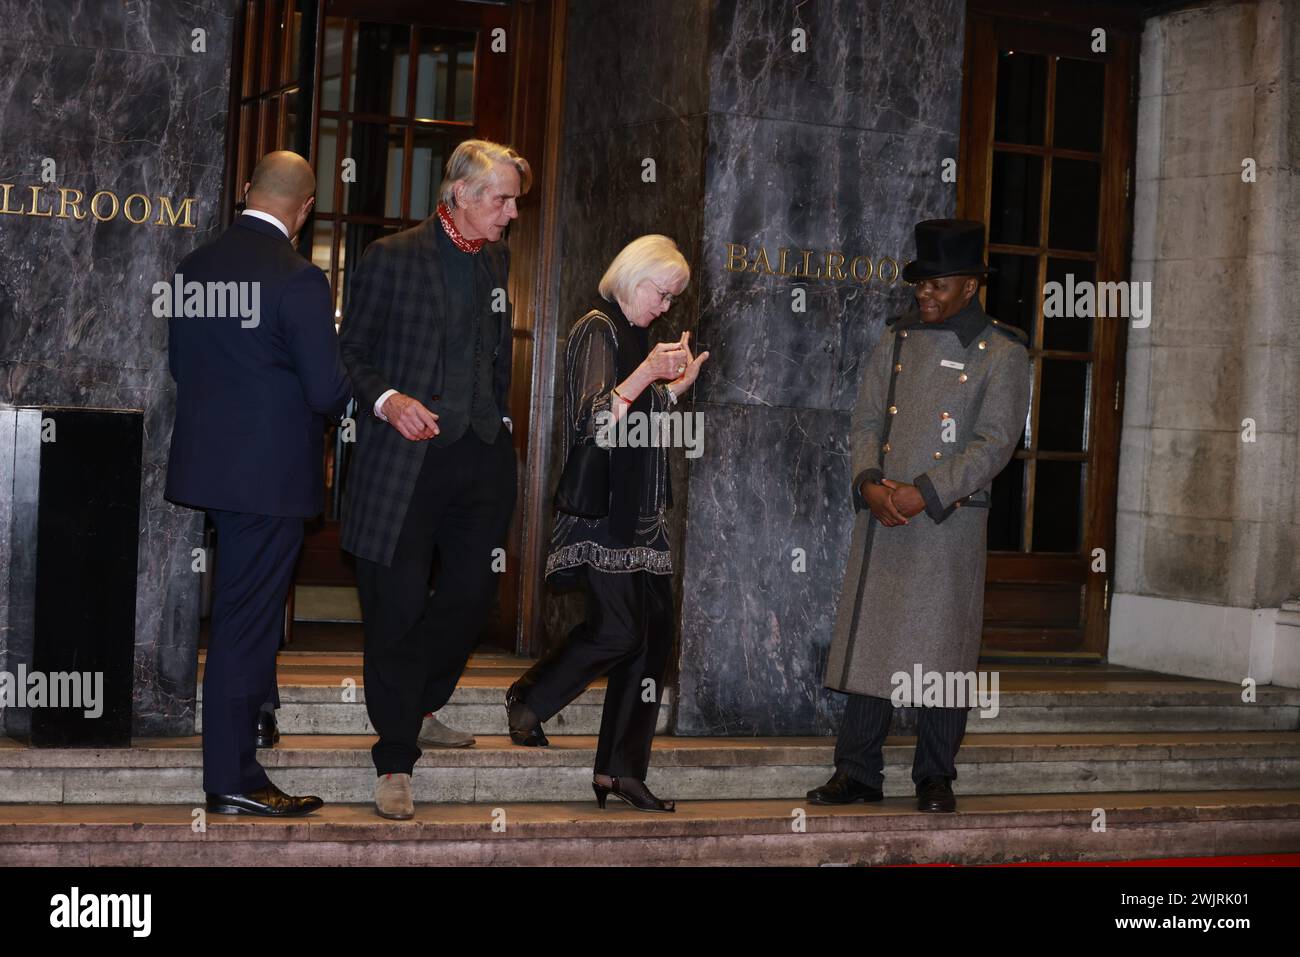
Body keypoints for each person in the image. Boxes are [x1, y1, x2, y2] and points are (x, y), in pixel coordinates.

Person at [809, 219, 1030, 813]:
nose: (925, 295)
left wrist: (926, 491)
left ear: (971, 286)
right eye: (920, 285)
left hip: (946, 523)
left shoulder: (1002, 352)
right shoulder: (896, 339)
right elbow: (863, 423)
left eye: (938, 285)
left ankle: (935, 775)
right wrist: (868, 484)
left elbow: (994, 444)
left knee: (944, 652)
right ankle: (857, 771)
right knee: (872, 643)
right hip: (884, 515)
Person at [338, 139, 531, 820]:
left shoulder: (499, 260)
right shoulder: (392, 256)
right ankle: (394, 758)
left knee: (471, 598)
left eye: (513, 200)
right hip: (405, 458)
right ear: (460, 194)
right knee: (393, 608)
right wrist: (389, 399)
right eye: (501, 199)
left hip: (479, 455)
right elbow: (351, 354)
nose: (511, 213)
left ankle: (415, 698)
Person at [166, 151, 352, 816]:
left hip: (209, 470)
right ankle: (233, 776)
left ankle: (256, 718)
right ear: (303, 212)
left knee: (238, 612)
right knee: (246, 625)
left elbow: (181, 366)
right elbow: (328, 391)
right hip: (269, 479)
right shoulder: (299, 280)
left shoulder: (194, 266)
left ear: (247, 190)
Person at [504, 235, 708, 813]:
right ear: (634, 276)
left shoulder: (641, 338)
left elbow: (639, 428)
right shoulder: (595, 328)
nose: (666, 307)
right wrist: (647, 374)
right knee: (620, 631)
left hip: (643, 512)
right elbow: (595, 420)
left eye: (674, 298)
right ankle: (530, 696)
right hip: (602, 515)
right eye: (662, 293)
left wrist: (673, 393)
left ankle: (619, 773)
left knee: (653, 638)